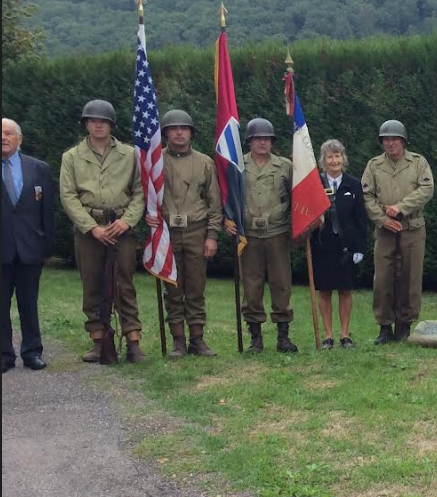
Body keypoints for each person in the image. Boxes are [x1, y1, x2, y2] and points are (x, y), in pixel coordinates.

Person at [59, 99, 146, 363]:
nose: (99, 125)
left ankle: (133, 342)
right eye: (93, 120)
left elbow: (141, 192)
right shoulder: (72, 157)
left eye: (104, 121)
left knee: (125, 284)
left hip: (121, 228)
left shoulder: (130, 154)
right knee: (92, 283)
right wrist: (91, 228)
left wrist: (127, 221)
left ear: (111, 125)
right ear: (86, 123)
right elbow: (68, 196)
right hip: (89, 230)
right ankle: (98, 340)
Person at [150, 109, 222, 358]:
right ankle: (178, 341)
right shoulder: (156, 161)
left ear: (191, 132)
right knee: (172, 287)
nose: (179, 133)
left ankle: (197, 339)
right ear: (166, 133)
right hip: (167, 231)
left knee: (195, 287)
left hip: (196, 230)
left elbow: (215, 203)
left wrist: (212, 235)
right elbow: (147, 196)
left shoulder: (204, 162)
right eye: (173, 128)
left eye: (184, 128)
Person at [362, 120, 433, 344]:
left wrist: (401, 208)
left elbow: (427, 189)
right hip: (385, 230)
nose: (390, 143)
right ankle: (384, 327)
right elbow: (366, 196)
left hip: (412, 227)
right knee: (382, 278)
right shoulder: (374, 165)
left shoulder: (418, 162)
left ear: (403, 141)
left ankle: (404, 325)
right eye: (386, 139)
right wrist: (383, 219)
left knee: (410, 277)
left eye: (394, 139)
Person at [230, 117, 297, 353]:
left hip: (277, 232)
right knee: (251, 284)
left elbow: (295, 198)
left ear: (272, 142)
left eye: (266, 139)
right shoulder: (237, 164)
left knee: (281, 283)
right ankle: (255, 338)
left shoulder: (285, 166)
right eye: (258, 138)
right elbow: (230, 196)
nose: (262, 143)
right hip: (248, 235)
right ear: (249, 141)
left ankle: (283, 337)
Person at [3, 118, 55, 372]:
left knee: (28, 303)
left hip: (30, 248)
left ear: (19, 139)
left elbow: (47, 211)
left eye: (8, 133)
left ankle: (32, 352)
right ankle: (4, 354)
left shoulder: (39, 168)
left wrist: (47, 246)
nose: (3, 137)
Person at [310, 139, 368, 349]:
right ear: (323, 161)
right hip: (323, 246)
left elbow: (361, 218)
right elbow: (307, 213)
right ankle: (328, 335)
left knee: (345, 290)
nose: (334, 160)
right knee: (324, 291)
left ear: (343, 159)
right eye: (330, 156)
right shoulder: (316, 183)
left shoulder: (353, 184)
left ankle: (344, 334)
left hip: (347, 248)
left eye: (337, 156)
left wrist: (360, 248)